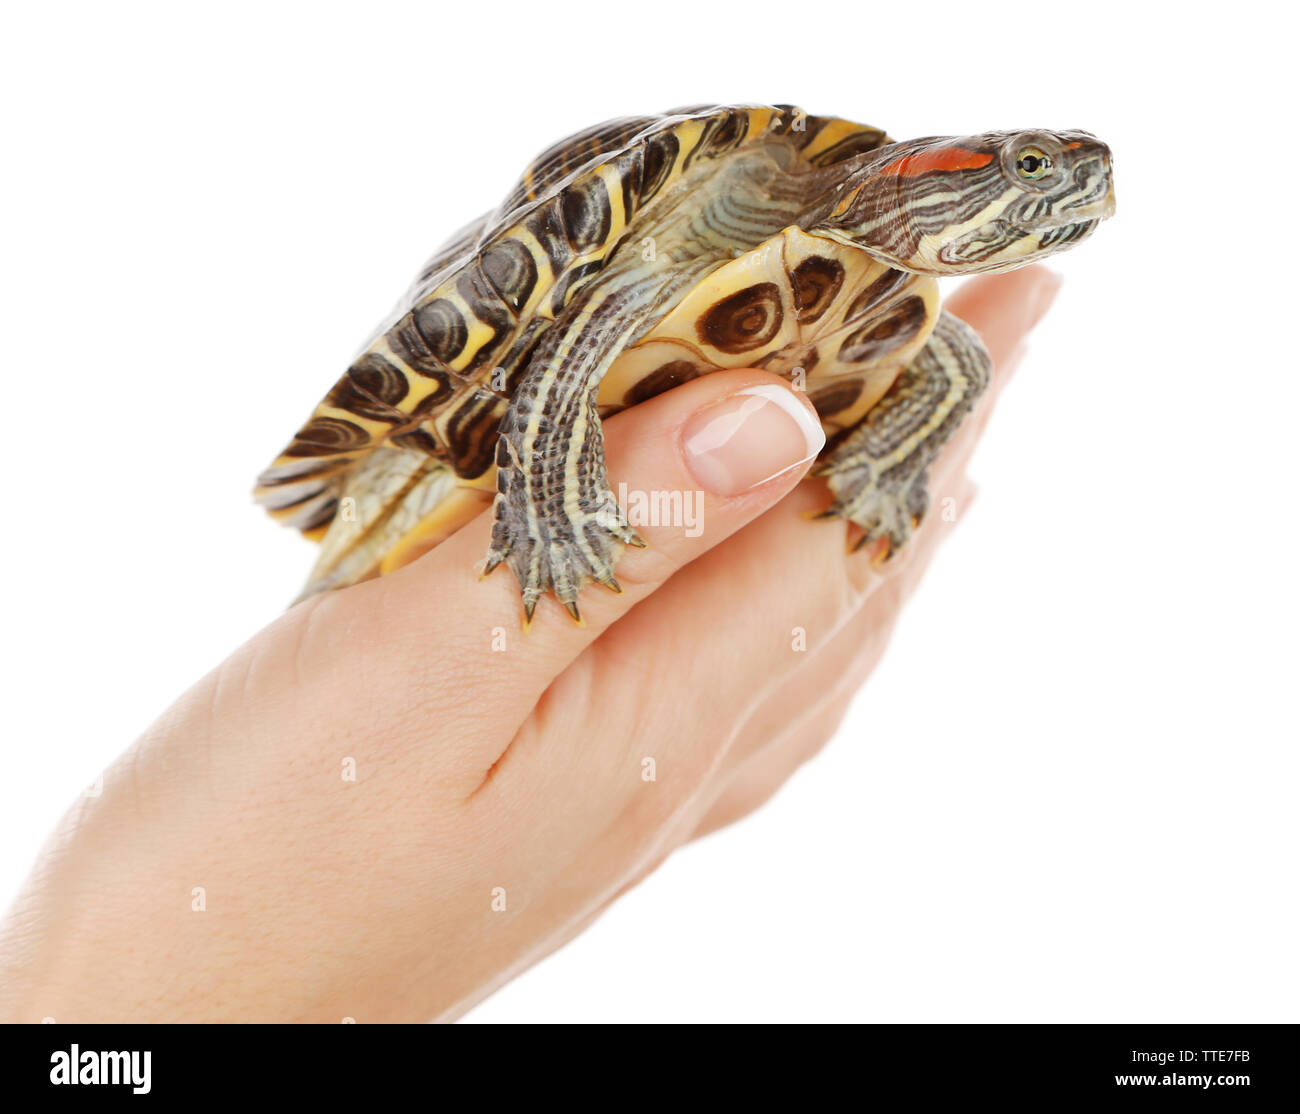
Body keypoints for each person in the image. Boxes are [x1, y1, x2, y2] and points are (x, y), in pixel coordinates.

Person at [0, 268, 1060, 1023]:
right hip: (442, 449)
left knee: (956, 353)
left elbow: (945, 358)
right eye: (1021, 170)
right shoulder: (700, 240)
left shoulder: (898, 295)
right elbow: (576, 335)